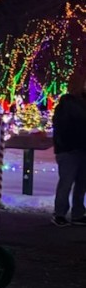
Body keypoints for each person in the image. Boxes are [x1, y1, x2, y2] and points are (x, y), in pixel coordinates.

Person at [52, 74, 86, 226]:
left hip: (81, 148)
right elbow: (63, 127)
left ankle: (78, 213)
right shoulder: (67, 104)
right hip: (69, 149)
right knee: (66, 182)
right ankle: (59, 213)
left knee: (81, 183)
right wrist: (65, 144)